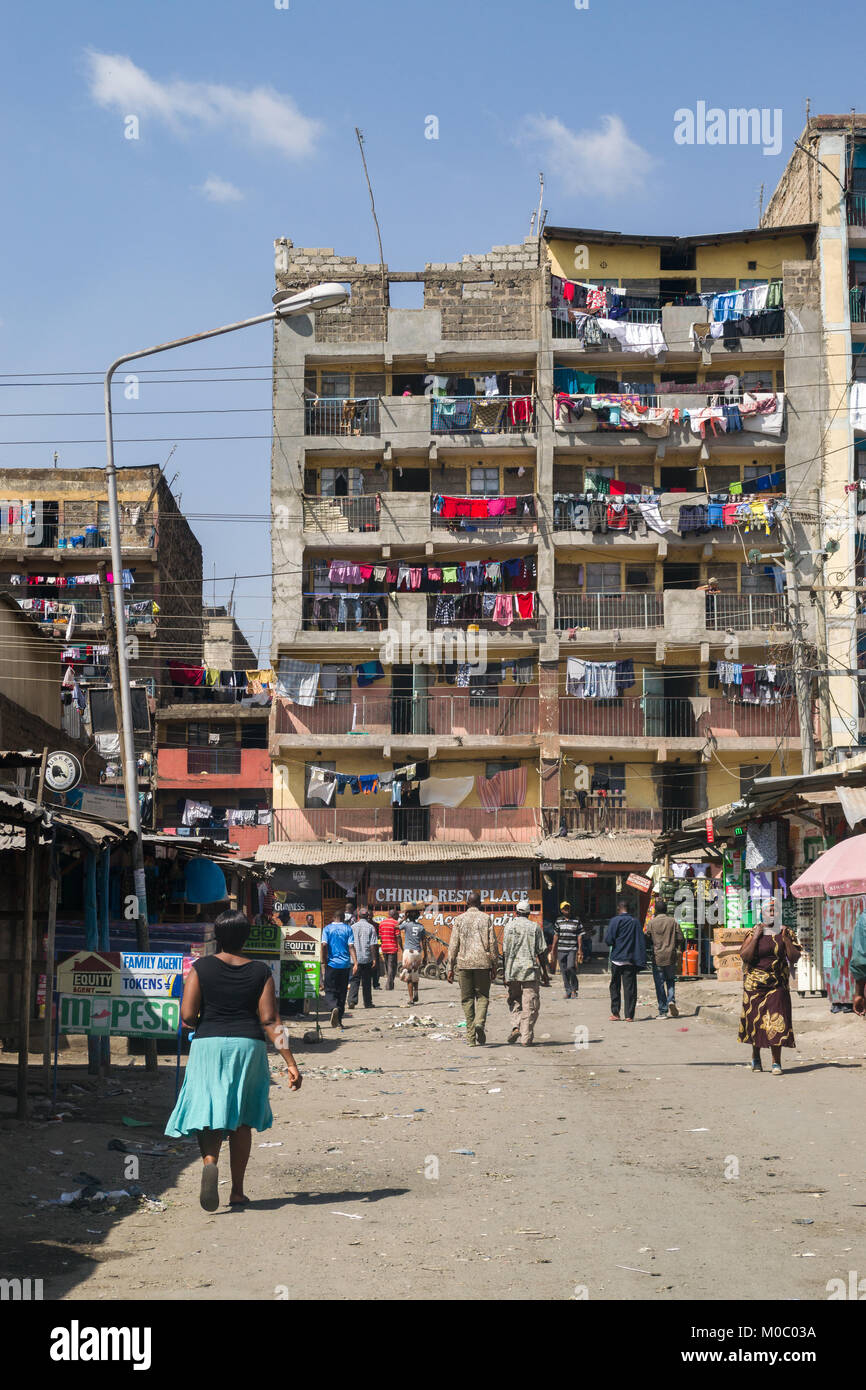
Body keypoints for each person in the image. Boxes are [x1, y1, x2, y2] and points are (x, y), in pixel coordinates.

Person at [166, 910, 301, 1210]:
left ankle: (209, 1161)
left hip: (208, 1045)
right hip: (248, 1046)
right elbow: (270, 1020)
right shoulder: (260, 972)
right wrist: (290, 1062)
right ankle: (237, 1191)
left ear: (217, 936)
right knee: (242, 1119)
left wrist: (207, 1018)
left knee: (208, 1110)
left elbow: (187, 1016)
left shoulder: (200, 968)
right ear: (246, 938)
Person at [738, 899, 800, 1073]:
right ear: (762, 913)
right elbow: (745, 956)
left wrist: (786, 939)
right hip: (755, 985)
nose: (773, 913)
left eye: (775, 910)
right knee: (756, 1022)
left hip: (777, 984)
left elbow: (794, 957)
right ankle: (756, 1057)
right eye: (769, 910)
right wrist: (756, 937)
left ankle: (776, 1062)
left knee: (777, 1021)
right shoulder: (754, 931)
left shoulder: (786, 932)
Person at [447, 892, 498, 1046]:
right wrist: (495, 965)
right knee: (482, 997)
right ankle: (479, 1023)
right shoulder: (486, 918)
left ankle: (470, 1037)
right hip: (483, 963)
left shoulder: (459, 919)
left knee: (467, 999)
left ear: (467, 904)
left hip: (464, 964)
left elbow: (453, 945)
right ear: (480, 903)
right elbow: (493, 944)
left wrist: (450, 967)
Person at [503, 899, 549, 1046]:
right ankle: (526, 1038)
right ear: (529, 914)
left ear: (516, 912)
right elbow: (541, 952)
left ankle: (516, 1026)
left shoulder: (508, 927)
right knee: (530, 1005)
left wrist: (505, 973)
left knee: (515, 1000)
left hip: (512, 971)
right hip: (530, 971)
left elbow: (505, 952)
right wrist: (545, 973)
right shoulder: (535, 928)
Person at [604, 899, 646, 1022]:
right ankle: (629, 1015)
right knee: (630, 988)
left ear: (619, 908)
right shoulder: (635, 922)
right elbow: (641, 941)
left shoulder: (615, 921)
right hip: (630, 960)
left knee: (615, 986)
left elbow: (609, 940)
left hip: (617, 959)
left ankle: (615, 1013)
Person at [647, 896, 687, 1019]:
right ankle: (671, 1000)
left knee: (659, 984)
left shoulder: (651, 923)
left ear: (656, 911)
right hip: (671, 956)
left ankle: (663, 1011)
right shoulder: (673, 921)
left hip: (658, 957)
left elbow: (648, 938)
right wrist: (674, 946)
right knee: (670, 980)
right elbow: (680, 937)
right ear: (666, 910)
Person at [322, 907, 358, 1029]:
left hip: (331, 964)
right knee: (342, 992)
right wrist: (356, 963)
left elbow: (324, 945)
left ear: (333, 918)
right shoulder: (348, 929)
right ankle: (339, 1022)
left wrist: (324, 960)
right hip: (345, 965)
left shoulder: (327, 929)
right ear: (343, 918)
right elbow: (351, 946)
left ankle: (333, 1007)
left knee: (329, 989)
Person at [549, 900, 586, 999]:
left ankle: (574, 989)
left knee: (570, 967)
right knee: (564, 971)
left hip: (572, 948)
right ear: (561, 910)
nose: (567, 910)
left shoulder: (576, 920)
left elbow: (580, 935)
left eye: (568, 908)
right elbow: (556, 935)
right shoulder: (558, 921)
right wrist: (553, 949)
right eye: (564, 908)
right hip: (561, 949)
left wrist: (580, 949)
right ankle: (568, 991)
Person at [346, 907, 379, 1010]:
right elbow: (373, 945)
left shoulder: (352, 927)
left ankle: (352, 1001)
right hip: (366, 958)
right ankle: (367, 1003)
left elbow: (349, 944)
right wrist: (374, 959)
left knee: (354, 980)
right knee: (366, 982)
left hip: (355, 959)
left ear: (358, 916)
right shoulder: (371, 927)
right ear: (368, 916)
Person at [399, 902, 427, 1005]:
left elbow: (395, 926)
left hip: (409, 953)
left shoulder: (406, 925)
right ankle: (416, 992)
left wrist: (404, 918)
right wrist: (425, 956)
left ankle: (411, 999)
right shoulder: (421, 927)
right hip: (418, 952)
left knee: (409, 976)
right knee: (415, 973)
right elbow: (424, 942)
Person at [376, 911, 402, 990]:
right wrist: (402, 947)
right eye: (397, 915)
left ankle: (390, 982)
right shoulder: (395, 923)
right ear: (394, 915)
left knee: (387, 965)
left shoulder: (382, 923)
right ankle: (389, 985)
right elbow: (398, 936)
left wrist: (382, 944)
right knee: (392, 966)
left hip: (384, 948)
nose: (398, 917)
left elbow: (380, 937)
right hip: (392, 948)